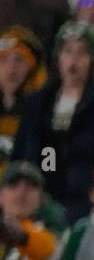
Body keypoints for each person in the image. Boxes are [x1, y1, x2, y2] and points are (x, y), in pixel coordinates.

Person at [13, 22, 94, 224]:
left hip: (82, 206)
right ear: (58, 56)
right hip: (36, 201)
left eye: (82, 53)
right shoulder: (38, 102)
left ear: (93, 59)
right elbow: (21, 154)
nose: (73, 61)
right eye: (67, 51)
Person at [0, 26, 47, 170]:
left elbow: (49, 162)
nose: (11, 68)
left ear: (32, 68)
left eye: (19, 60)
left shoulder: (43, 110)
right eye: (4, 60)